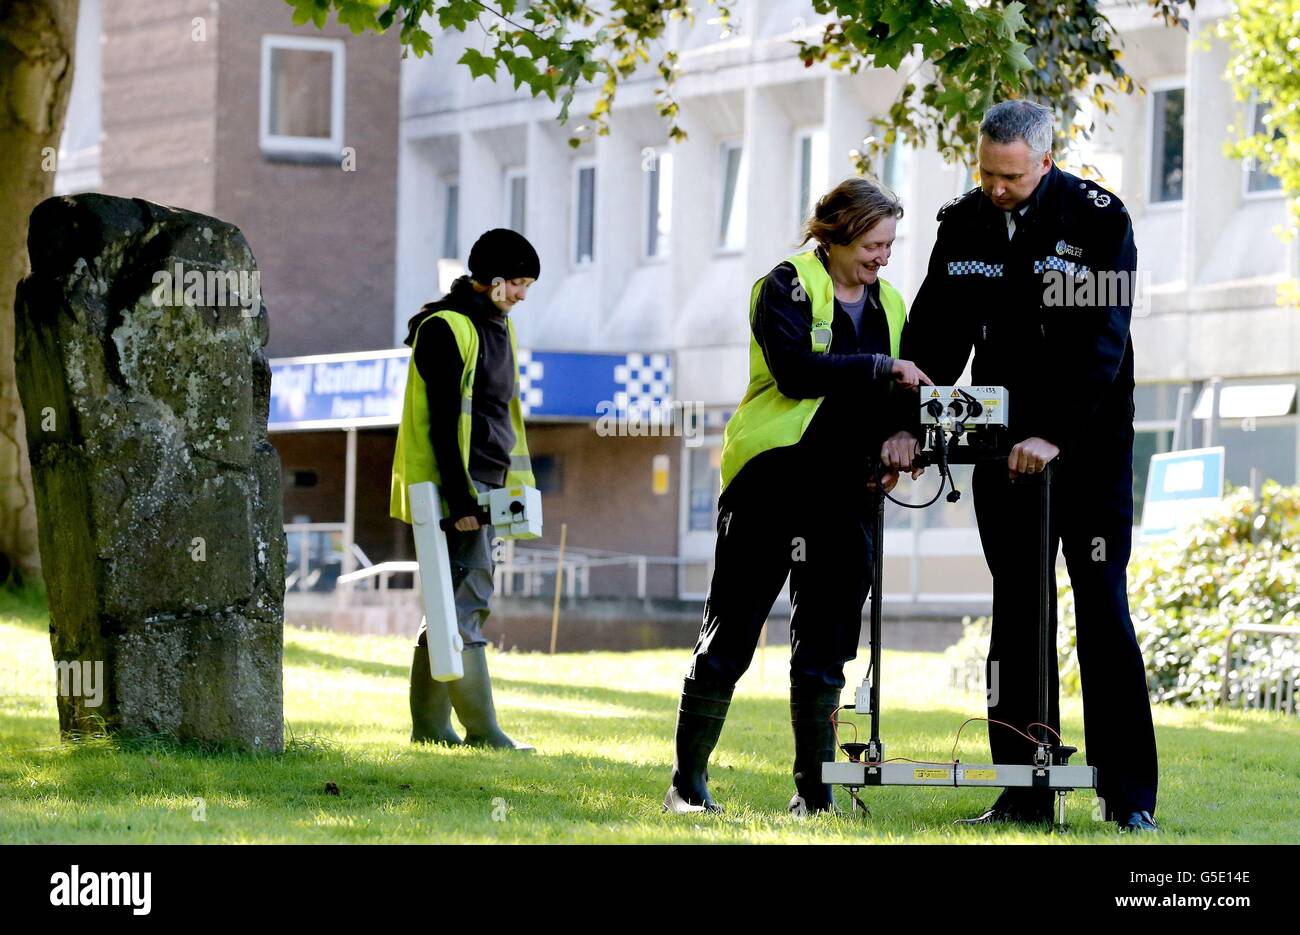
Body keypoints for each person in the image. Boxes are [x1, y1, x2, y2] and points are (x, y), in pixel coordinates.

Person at [881, 100, 1159, 832]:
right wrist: (910, 429)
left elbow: (1105, 339)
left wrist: (1056, 434)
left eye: (1011, 175)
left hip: (1087, 450)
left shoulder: (1099, 220)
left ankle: (1127, 795)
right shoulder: (964, 221)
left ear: (1046, 159)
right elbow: (934, 333)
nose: (997, 187)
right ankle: (1023, 789)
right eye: (987, 172)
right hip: (1002, 455)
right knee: (1019, 614)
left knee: (1103, 611)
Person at [663, 177, 932, 815]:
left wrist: (903, 436)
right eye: (873, 244)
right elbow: (794, 370)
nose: (883, 258)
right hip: (772, 482)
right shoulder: (782, 286)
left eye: (890, 245)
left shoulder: (891, 304)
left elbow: (903, 393)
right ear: (835, 235)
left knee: (826, 649)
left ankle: (815, 795)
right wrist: (877, 368)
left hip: (846, 490)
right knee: (730, 635)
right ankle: (687, 786)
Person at [389, 228, 539, 751]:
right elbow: (442, 426)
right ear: (493, 281)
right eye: (518, 283)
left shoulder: (500, 329)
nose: (523, 294)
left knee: (448, 606)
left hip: (487, 488)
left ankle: (430, 729)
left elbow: (503, 418)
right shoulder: (446, 329)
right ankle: (482, 730)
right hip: (459, 493)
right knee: (467, 602)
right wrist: (462, 503)